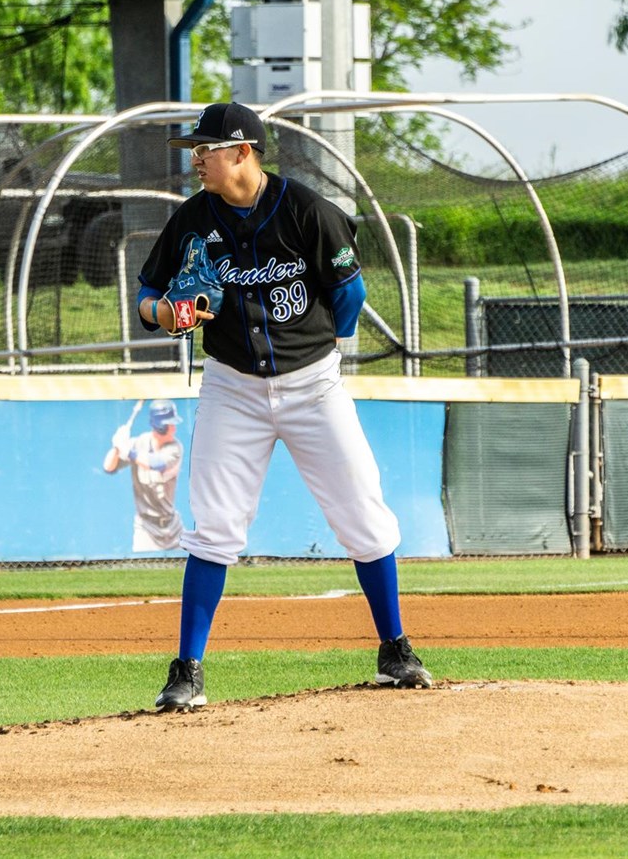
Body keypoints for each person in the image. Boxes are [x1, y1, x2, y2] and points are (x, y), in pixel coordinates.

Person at [135, 101, 432, 711]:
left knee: (362, 513)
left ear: (243, 151)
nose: (196, 159)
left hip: (313, 385)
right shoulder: (191, 220)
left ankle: (395, 648)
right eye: (196, 150)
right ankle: (187, 669)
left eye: (207, 149)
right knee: (214, 527)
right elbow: (148, 292)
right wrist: (163, 313)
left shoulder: (307, 210)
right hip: (231, 388)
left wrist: (319, 351)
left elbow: (350, 295)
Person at [103, 399, 187, 552]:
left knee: (182, 570)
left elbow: (156, 464)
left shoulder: (176, 448)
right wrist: (116, 445)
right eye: (170, 424)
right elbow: (108, 467)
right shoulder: (139, 443)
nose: (174, 428)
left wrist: (127, 450)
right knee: (141, 569)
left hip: (172, 527)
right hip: (146, 528)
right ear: (159, 426)